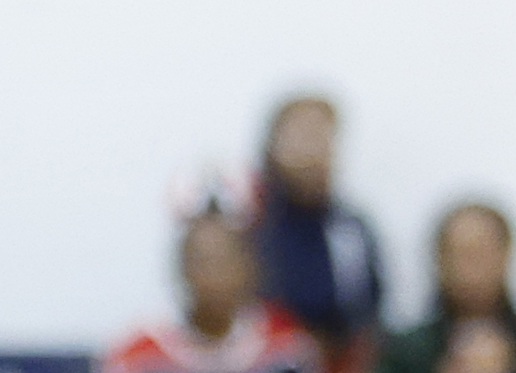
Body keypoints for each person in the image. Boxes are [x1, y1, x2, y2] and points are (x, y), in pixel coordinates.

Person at [254, 97, 386, 372]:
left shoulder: (352, 228)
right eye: (302, 136)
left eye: (322, 137)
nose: (313, 150)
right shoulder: (250, 226)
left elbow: (369, 309)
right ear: (274, 146)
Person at [104, 208, 323, 373]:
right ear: (182, 269)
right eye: (202, 261)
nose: (214, 276)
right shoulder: (139, 356)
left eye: (225, 261)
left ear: (249, 268)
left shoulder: (286, 350)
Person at [379, 204, 516, 373]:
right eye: (458, 255)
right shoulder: (406, 350)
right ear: (439, 261)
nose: (469, 271)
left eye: (479, 253)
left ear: (505, 254)